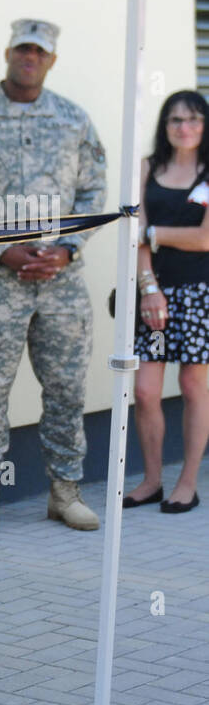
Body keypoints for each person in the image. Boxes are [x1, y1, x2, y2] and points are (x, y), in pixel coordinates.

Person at [0, 19, 107, 535]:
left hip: (61, 283)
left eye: (40, 52)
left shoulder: (74, 119)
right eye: (23, 49)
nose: (30, 58)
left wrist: (68, 249)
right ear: (8, 51)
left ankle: (65, 492)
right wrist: (0, 251)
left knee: (67, 390)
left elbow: (93, 194)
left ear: (52, 59)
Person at [124, 90, 209, 514]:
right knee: (145, 391)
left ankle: (188, 483)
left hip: (199, 295)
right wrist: (148, 285)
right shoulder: (148, 168)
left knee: (193, 386)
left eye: (194, 119)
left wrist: (154, 234)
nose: (185, 128)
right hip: (153, 294)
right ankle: (152, 480)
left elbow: (205, 238)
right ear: (165, 125)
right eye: (176, 120)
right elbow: (133, 231)